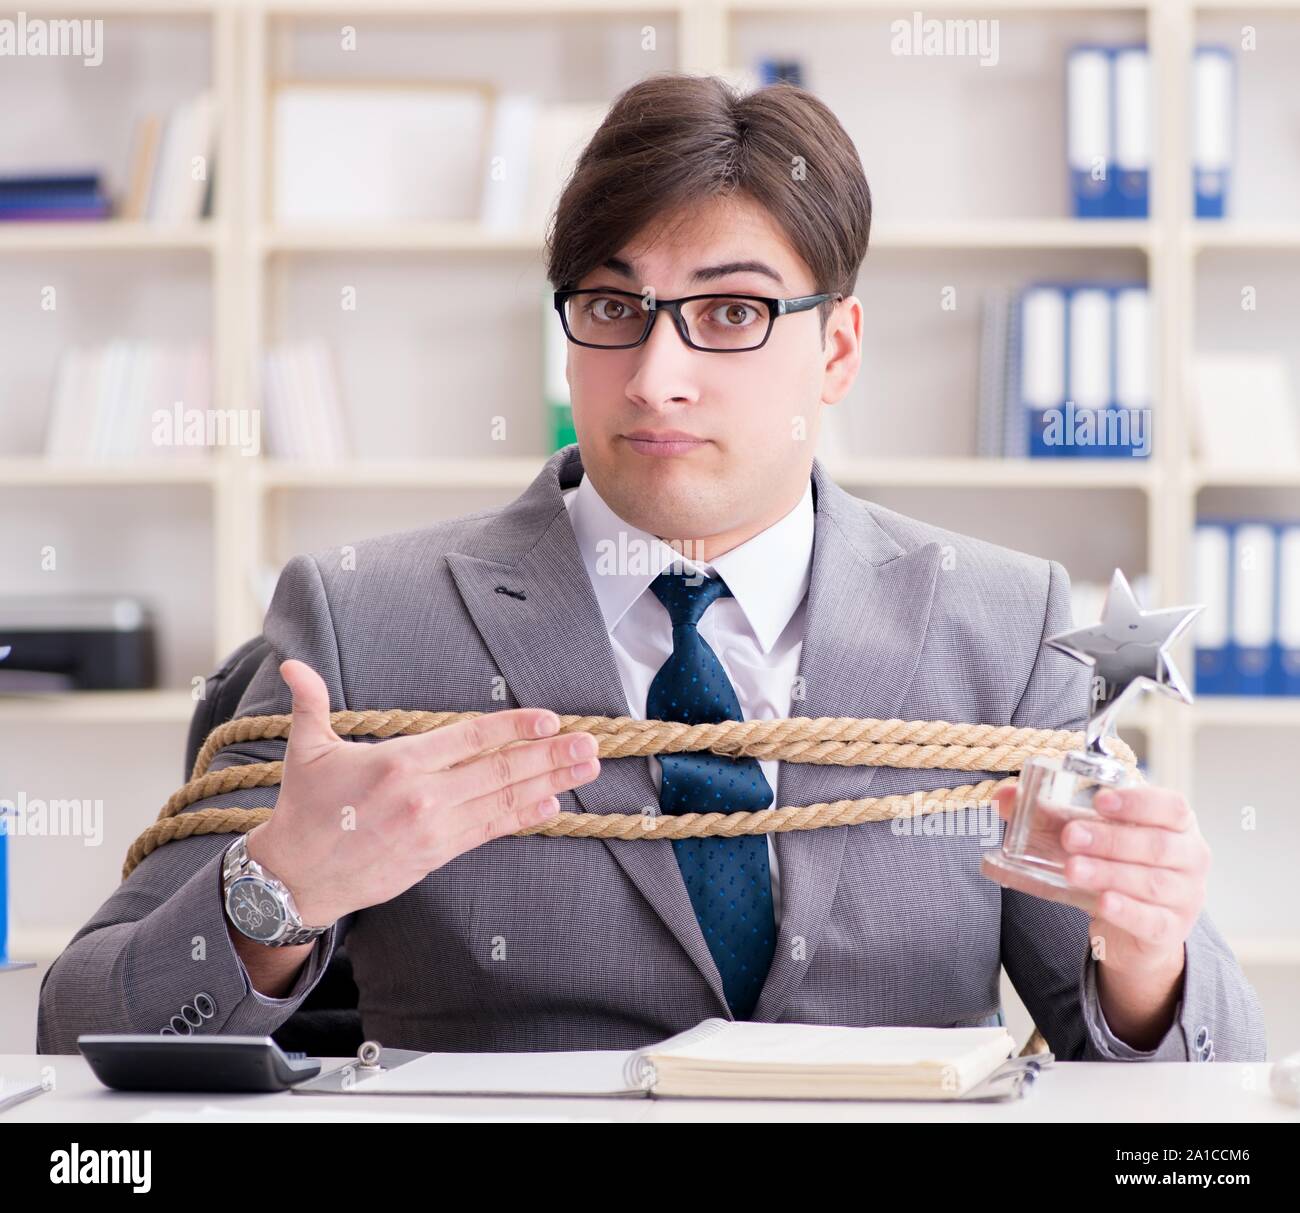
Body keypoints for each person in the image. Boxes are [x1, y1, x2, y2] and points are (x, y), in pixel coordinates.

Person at [38, 74, 1266, 1060]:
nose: (655, 374)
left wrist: (1147, 958)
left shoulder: (1008, 633)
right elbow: (77, 1023)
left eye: (730, 312)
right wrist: (277, 892)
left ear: (836, 347)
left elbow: (1194, 1077)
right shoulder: (364, 622)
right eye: (612, 307)